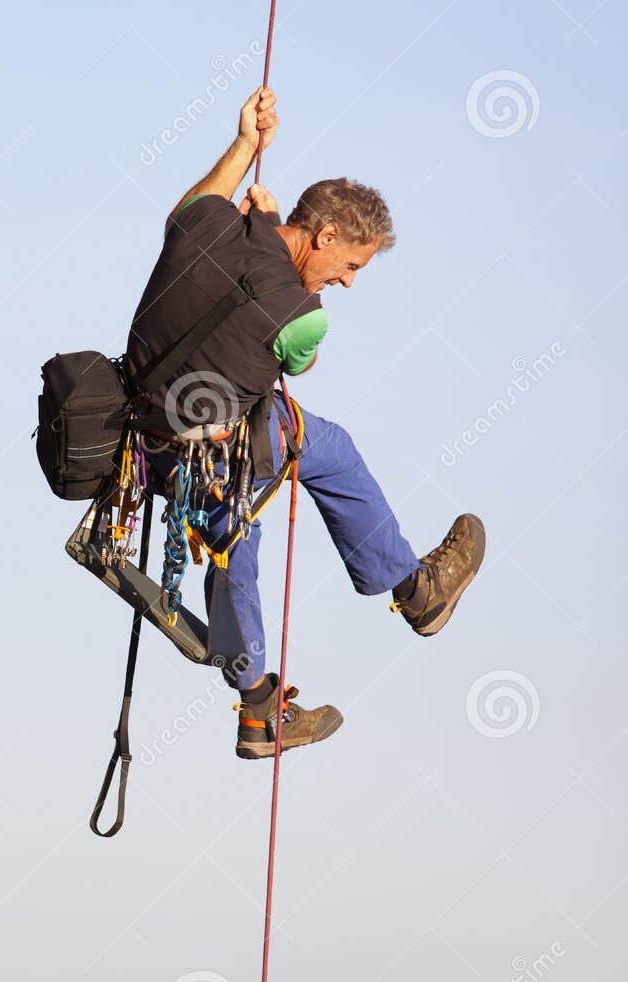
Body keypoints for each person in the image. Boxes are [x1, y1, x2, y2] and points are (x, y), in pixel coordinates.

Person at [126, 86, 485, 760]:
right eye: (349, 264)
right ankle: (416, 591)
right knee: (329, 450)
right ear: (322, 236)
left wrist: (245, 148)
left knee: (235, 532)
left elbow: (197, 210)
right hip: (222, 448)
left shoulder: (200, 227)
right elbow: (301, 354)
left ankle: (259, 708)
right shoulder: (305, 315)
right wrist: (265, 233)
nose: (347, 282)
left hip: (145, 442)